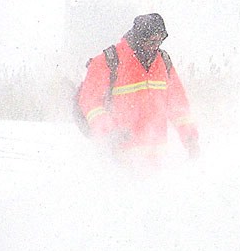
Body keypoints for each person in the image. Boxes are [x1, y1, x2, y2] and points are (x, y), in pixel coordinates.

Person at [77, 13, 200, 168]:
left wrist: (189, 136)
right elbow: (89, 102)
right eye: (151, 41)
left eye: (160, 41)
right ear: (138, 38)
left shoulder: (164, 62)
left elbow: (178, 104)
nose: (156, 46)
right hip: (119, 159)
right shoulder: (109, 60)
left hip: (156, 162)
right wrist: (109, 131)